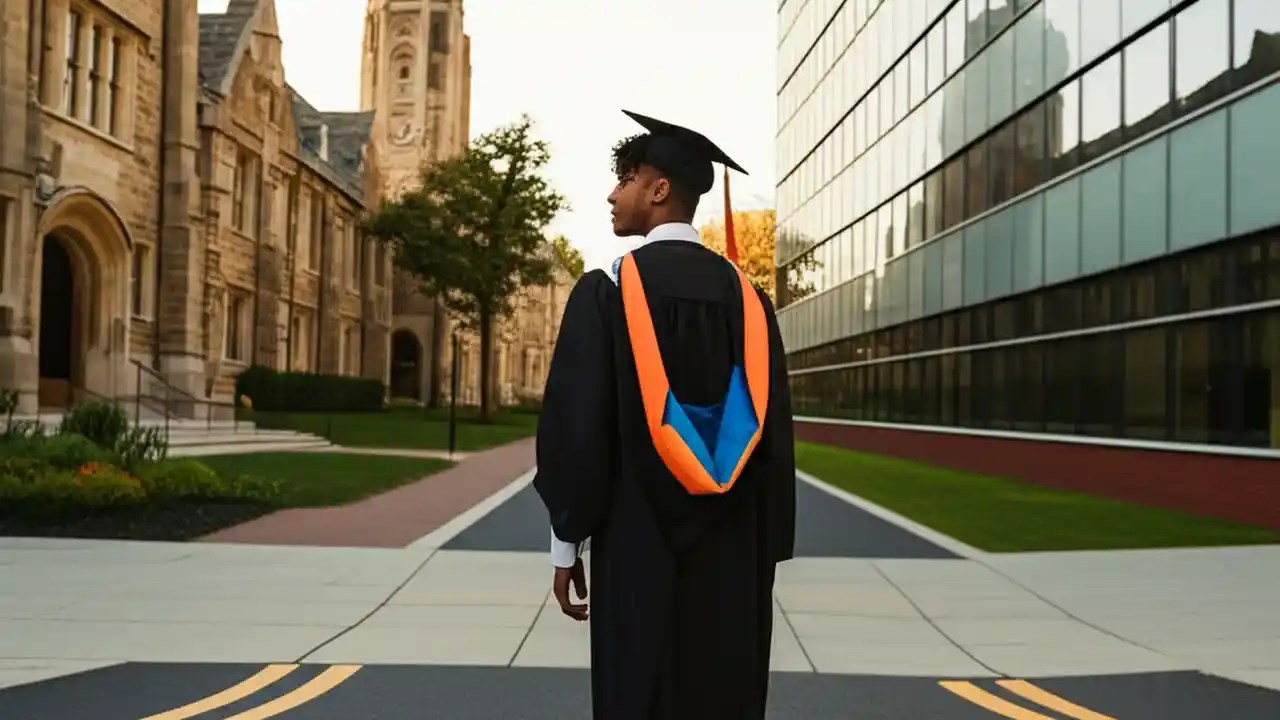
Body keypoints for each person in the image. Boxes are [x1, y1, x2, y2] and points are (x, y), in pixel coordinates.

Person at [533, 110, 797, 719]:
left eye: (624, 178)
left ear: (658, 191)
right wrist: (766, 552)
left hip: (635, 551)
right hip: (734, 563)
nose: (611, 192)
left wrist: (566, 545)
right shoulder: (752, 305)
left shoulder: (606, 293)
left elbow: (578, 432)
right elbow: (776, 442)